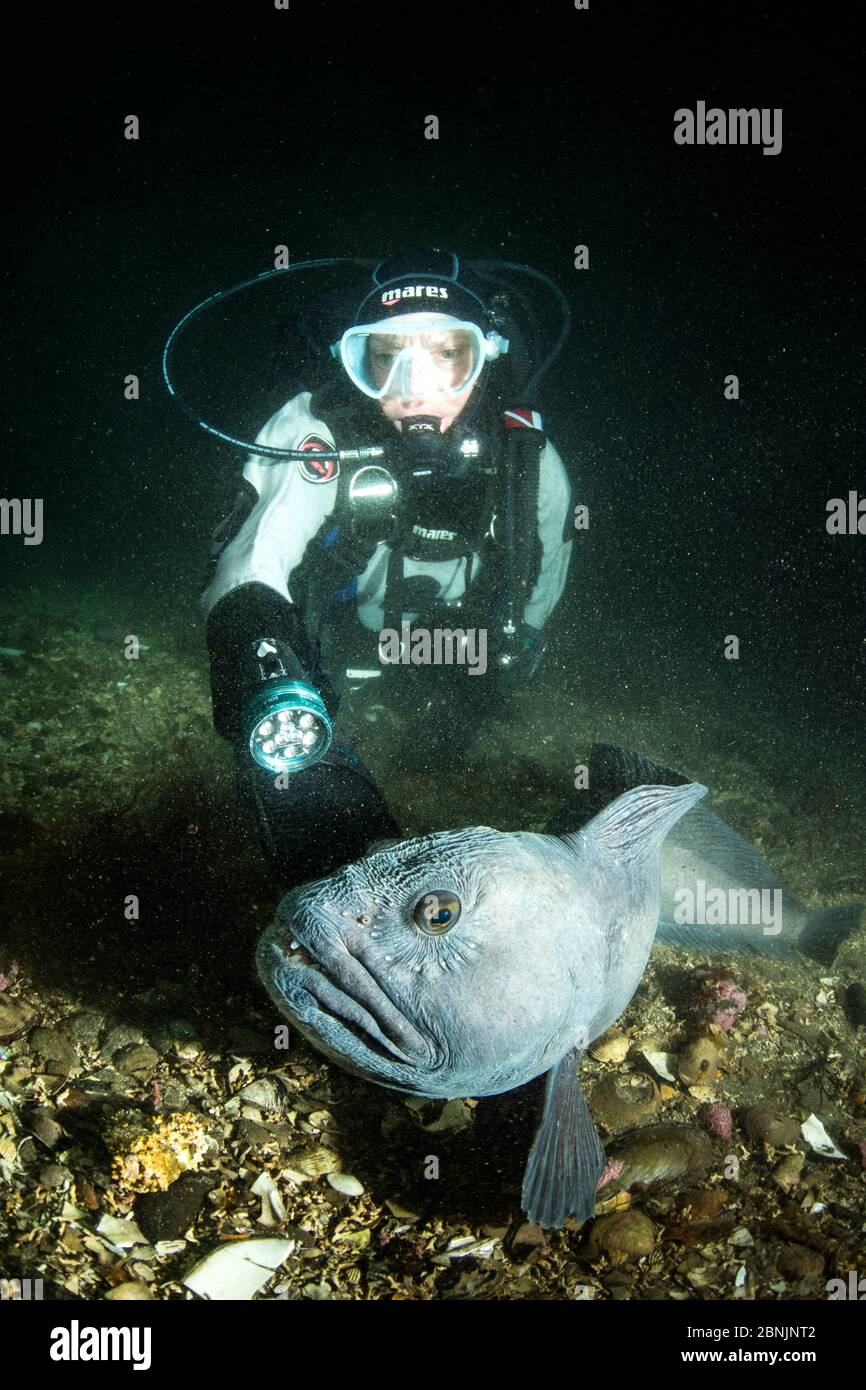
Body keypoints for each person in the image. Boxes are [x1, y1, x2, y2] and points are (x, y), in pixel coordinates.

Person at [201, 250, 574, 888]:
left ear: (485, 357)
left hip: (463, 650)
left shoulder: (529, 463)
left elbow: (542, 576)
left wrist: (512, 651)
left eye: (445, 353)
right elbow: (252, 561)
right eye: (386, 355)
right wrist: (264, 664)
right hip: (342, 641)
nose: (413, 384)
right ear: (357, 362)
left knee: (460, 726)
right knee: (287, 764)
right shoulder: (318, 432)